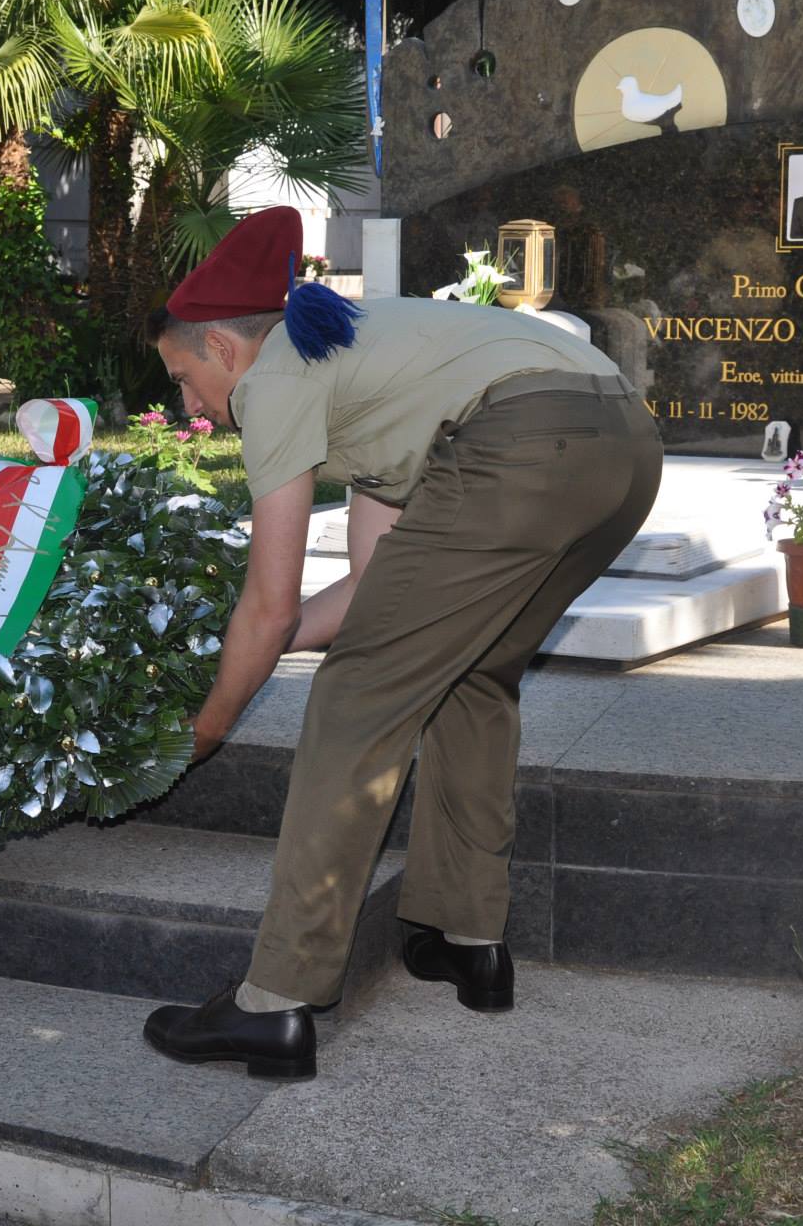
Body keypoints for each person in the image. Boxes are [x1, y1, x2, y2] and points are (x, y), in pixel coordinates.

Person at [140, 207, 662, 1079]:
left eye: (184, 379)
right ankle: (468, 941)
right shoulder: (364, 361)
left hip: (523, 440)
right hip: (625, 444)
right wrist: (233, 647)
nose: (188, 407)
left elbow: (271, 609)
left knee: (356, 699)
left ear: (225, 350)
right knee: (473, 677)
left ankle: (274, 1005)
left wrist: (206, 727)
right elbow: (377, 590)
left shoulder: (276, 380)